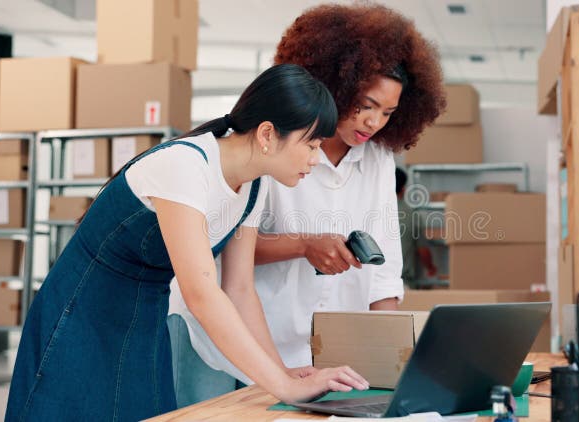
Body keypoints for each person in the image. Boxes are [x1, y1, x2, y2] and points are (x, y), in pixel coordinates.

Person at [4, 64, 369, 422]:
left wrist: (282, 373)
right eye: (311, 143)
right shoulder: (186, 166)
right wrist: (282, 388)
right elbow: (201, 293)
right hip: (82, 314)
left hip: (145, 318)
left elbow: (239, 290)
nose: (316, 157)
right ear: (268, 134)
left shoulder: (256, 185)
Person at [167, 3, 446, 406]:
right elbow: (221, 251)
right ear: (335, 84)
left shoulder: (379, 160)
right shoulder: (271, 142)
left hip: (311, 352)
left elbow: (384, 275)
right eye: (365, 105)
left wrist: (393, 362)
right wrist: (302, 245)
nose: (373, 122)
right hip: (230, 331)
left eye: (388, 112)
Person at [395, 167, 437, 287]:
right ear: (403, 189)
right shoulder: (411, 215)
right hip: (401, 284)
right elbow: (423, 250)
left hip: (371, 285)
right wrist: (431, 268)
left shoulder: (371, 211)